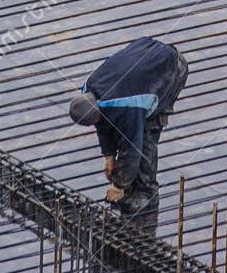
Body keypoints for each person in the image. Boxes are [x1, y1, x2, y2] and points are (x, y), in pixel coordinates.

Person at [67, 36, 188, 216]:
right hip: (146, 57)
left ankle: (146, 193)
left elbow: (132, 146)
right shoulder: (89, 91)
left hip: (170, 68)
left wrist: (119, 185)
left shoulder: (127, 105)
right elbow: (102, 124)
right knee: (120, 124)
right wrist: (108, 155)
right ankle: (131, 184)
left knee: (147, 130)